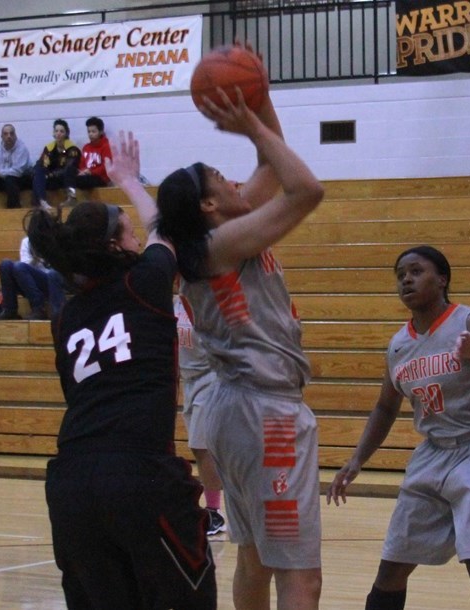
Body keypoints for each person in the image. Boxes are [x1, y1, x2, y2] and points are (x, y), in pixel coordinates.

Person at [155, 63, 326, 609]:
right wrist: (251, 125)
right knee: (299, 572)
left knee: (254, 558)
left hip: (239, 411)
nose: (235, 181)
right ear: (209, 206)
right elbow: (307, 189)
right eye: (220, 180)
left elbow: (271, 165)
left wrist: (260, 99)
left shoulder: (219, 232)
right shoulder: (218, 246)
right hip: (264, 415)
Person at [26, 133, 216, 609]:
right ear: (115, 246)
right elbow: (165, 232)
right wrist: (129, 180)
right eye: (127, 232)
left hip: (70, 483)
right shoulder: (143, 281)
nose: (137, 237)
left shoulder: (64, 317)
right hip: (138, 476)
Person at [327, 246, 470, 610]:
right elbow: (386, 407)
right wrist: (356, 460)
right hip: (433, 453)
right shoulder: (399, 345)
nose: (406, 279)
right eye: (401, 274)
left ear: (443, 279)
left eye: (416, 271)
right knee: (391, 568)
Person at [175, 295, 227, 537]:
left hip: (211, 377)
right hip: (189, 380)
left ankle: (214, 511)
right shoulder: (174, 300)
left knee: (201, 446)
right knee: (202, 448)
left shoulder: (206, 298)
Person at [0, 236, 66, 320]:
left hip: (50, 280)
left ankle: (38, 308)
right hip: (29, 282)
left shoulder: (55, 239)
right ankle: (10, 310)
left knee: (19, 266)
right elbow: (24, 267)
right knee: (5, 264)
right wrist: (36, 258)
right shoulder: (27, 241)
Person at [32, 118, 81, 209]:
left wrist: (51, 174)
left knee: (70, 170)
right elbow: (43, 164)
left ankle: (71, 198)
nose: (58, 133)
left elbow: (69, 167)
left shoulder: (72, 149)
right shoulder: (49, 148)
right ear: (53, 133)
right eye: (56, 131)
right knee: (38, 169)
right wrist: (46, 173)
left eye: (61, 131)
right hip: (51, 179)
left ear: (66, 134)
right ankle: (42, 201)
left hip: (65, 179)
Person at [66, 116, 112, 202]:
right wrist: (82, 171)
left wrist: (90, 171)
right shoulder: (86, 147)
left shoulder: (106, 146)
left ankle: (74, 195)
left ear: (101, 132)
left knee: (78, 180)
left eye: (93, 131)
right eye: (89, 131)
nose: (90, 134)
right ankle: (71, 195)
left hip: (100, 178)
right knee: (69, 171)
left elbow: (105, 166)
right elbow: (82, 164)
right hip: (86, 175)